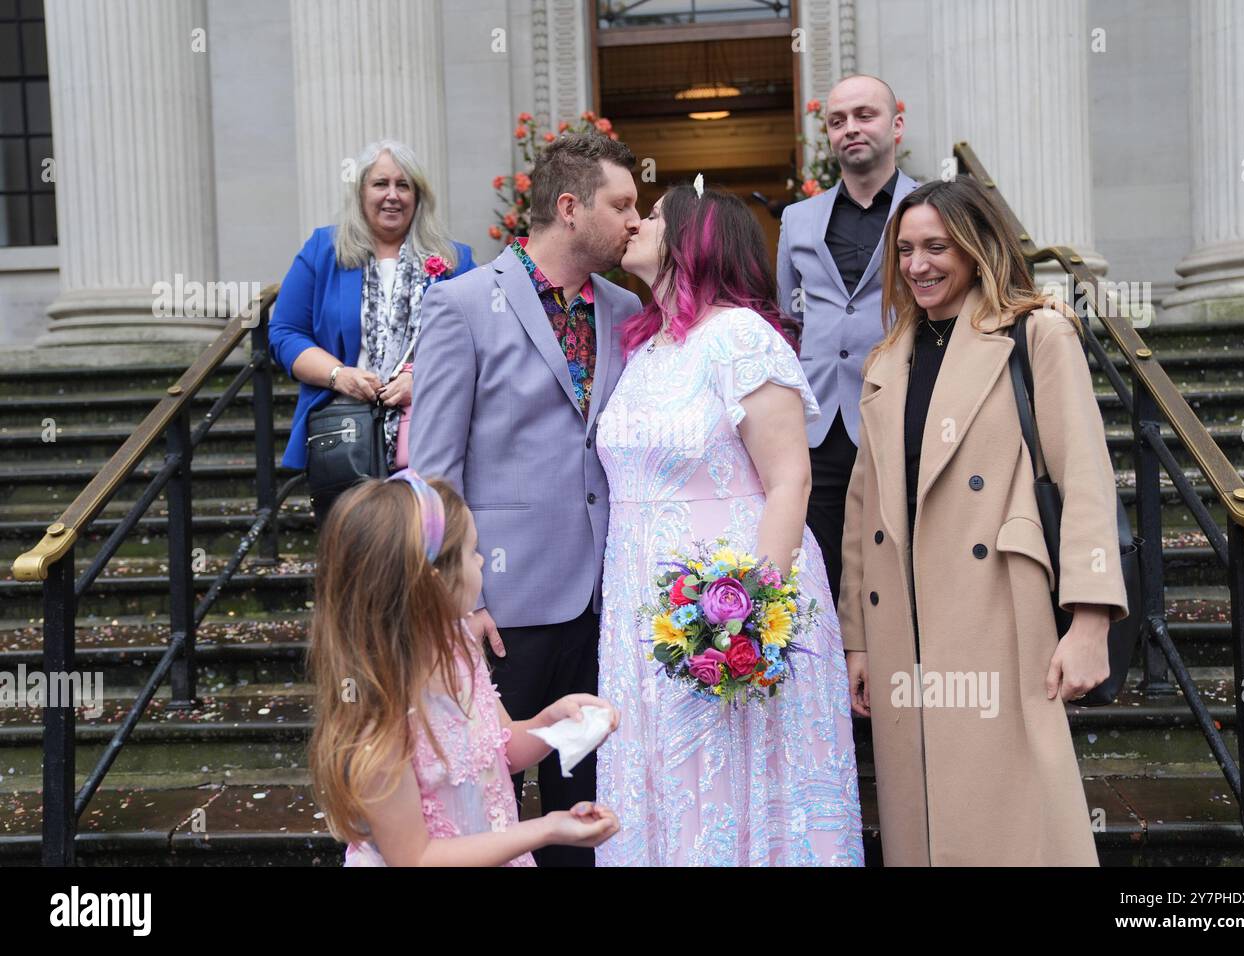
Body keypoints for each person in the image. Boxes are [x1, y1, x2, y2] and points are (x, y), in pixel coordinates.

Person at [838, 176, 1128, 865]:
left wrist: (1089, 621)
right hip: (902, 623)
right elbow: (863, 512)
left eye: (936, 246)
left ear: (976, 248)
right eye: (905, 249)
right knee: (924, 820)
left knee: (1012, 814)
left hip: (1000, 610)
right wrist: (857, 639)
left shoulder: (1036, 332)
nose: (918, 265)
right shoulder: (887, 359)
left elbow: (1086, 476)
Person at [594, 183, 864, 867]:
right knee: (665, 788)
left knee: (730, 788)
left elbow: (789, 480)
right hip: (642, 611)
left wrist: (748, 612)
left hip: (729, 604)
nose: (634, 224)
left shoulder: (741, 337)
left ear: (692, 239)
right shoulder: (646, 349)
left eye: (651, 216)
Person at [409, 132, 643, 867]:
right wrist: (456, 598)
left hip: (605, 598)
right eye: (623, 204)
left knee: (588, 798)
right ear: (570, 208)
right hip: (502, 604)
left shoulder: (622, 304)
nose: (636, 220)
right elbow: (434, 466)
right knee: (489, 790)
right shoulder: (463, 304)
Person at [307, 469, 621, 866]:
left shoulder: (458, 649)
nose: (483, 558)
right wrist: (545, 828)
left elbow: (501, 748)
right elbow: (415, 858)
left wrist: (555, 724)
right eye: (472, 551)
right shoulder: (378, 720)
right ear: (435, 582)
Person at [269, 140, 475, 522]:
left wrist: (425, 379)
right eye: (381, 184)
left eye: (404, 185)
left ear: (419, 195)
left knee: (428, 556)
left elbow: (479, 342)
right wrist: (339, 375)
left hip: (431, 435)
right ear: (361, 192)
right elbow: (285, 333)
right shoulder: (323, 251)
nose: (392, 196)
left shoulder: (454, 260)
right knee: (358, 561)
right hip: (349, 440)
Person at [777, 75, 918, 608]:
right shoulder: (798, 219)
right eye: (837, 121)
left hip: (902, 409)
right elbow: (790, 319)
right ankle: (834, 686)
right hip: (820, 425)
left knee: (901, 553)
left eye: (865, 115)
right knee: (823, 566)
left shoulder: (931, 207)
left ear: (896, 125)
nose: (850, 129)